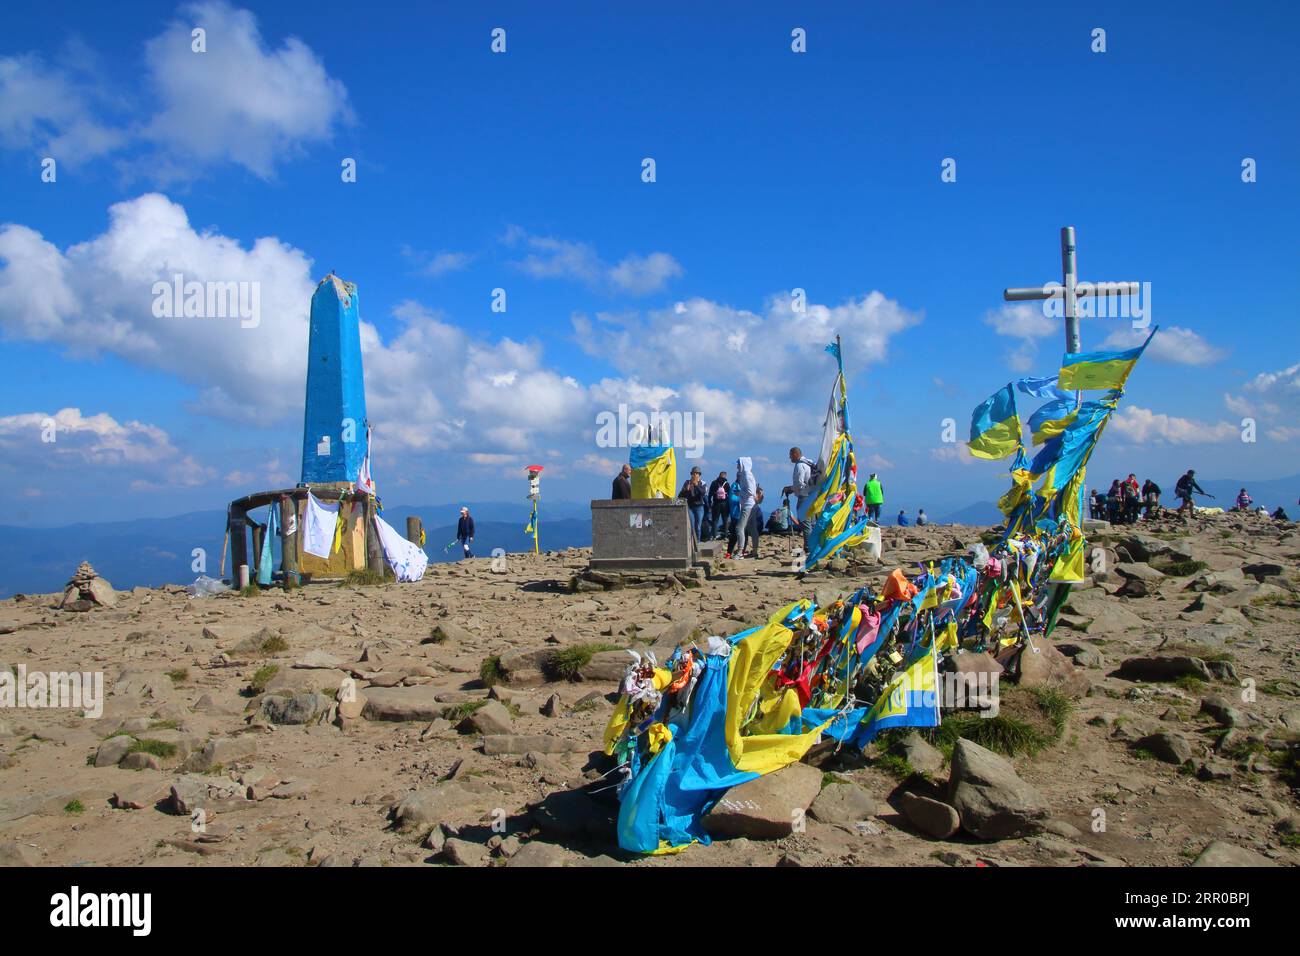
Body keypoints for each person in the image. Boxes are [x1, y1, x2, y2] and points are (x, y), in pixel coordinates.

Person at [781, 446, 817, 551]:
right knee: (810, 522)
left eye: (791, 455)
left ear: (796, 454)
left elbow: (800, 484)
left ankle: (808, 546)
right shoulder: (808, 463)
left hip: (804, 497)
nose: (790, 458)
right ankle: (812, 544)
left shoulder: (800, 466)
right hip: (812, 495)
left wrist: (790, 488)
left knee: (805, 522)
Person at [730, 457, 758, 559]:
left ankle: (740, 552)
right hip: (751, 504)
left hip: (747, 505)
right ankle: (754, 551)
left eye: (738, 464)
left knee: (739, 528)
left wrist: (740, 493)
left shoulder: (746, 474)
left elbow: (750, 491)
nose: (737, 466)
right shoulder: (747, 474)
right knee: (752, 529)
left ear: (742, 464)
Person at [678, 467, 707, 541]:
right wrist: (686, 491)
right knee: (691, 526)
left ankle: (698, 542)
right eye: (693, 473)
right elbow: (680, 496)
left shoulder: (703, 483)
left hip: (699, 507)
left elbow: (703, 493)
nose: (694, 475)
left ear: (699, 475)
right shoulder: (687, 482)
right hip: (690, 506)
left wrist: (696, 485)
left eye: (696, 473)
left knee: (698, 527)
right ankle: (692, 543)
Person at [708, 470, 730, 540]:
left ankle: (714, 536)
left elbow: (710, 494)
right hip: (725, 503)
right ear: (725, 476)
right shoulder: (727, 484)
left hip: (716, 503)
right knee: (725, 520)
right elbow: (729, 494)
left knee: (715, 520)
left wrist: (709, 503)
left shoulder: (714, 483)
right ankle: (726, 536)